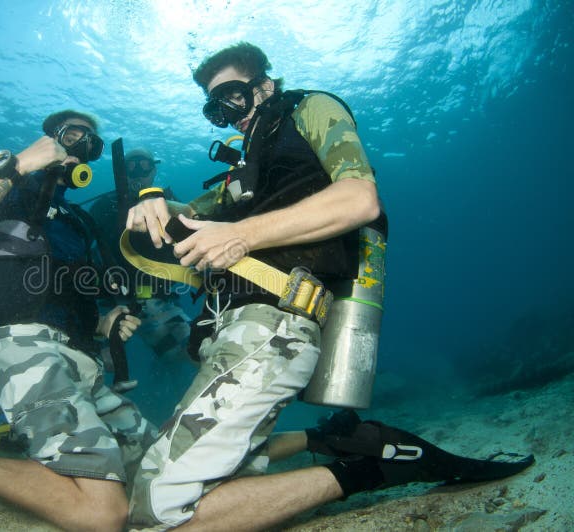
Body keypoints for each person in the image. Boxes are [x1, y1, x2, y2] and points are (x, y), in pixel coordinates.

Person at [124, 42, 532, 530]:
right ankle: (339, 439)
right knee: (224, 474)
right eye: (215, 107)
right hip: (232, 329)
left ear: (265, 86)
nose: (226, 114)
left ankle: (373, 466)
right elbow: (188, 216)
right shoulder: (244, 170)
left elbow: (360, 199)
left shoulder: (309, 109)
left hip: (272, 327)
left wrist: (241, 234)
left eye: (233, 95)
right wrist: (151, 201)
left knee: (154, 509)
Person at [0, 110, 155, 531]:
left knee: (157, 469)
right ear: (51, 138)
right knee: (106, 513)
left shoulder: (80, 223)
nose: (81, 148)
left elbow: (72, 299)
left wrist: (105, 324)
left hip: (83, 363)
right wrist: (18, 165)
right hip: (23, 348)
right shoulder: (9, 189)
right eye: (73, 135)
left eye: (91, 143)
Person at [88, 148, 192, 362]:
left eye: (144, 166)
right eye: (131, 166)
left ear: (154, 170)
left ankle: (165, 375)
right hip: (108, 299)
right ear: (122, 172)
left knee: (184, 352)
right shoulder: (102, 206)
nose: (138, 173)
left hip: (156, 298)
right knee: (100, 361)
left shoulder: (171, 205)